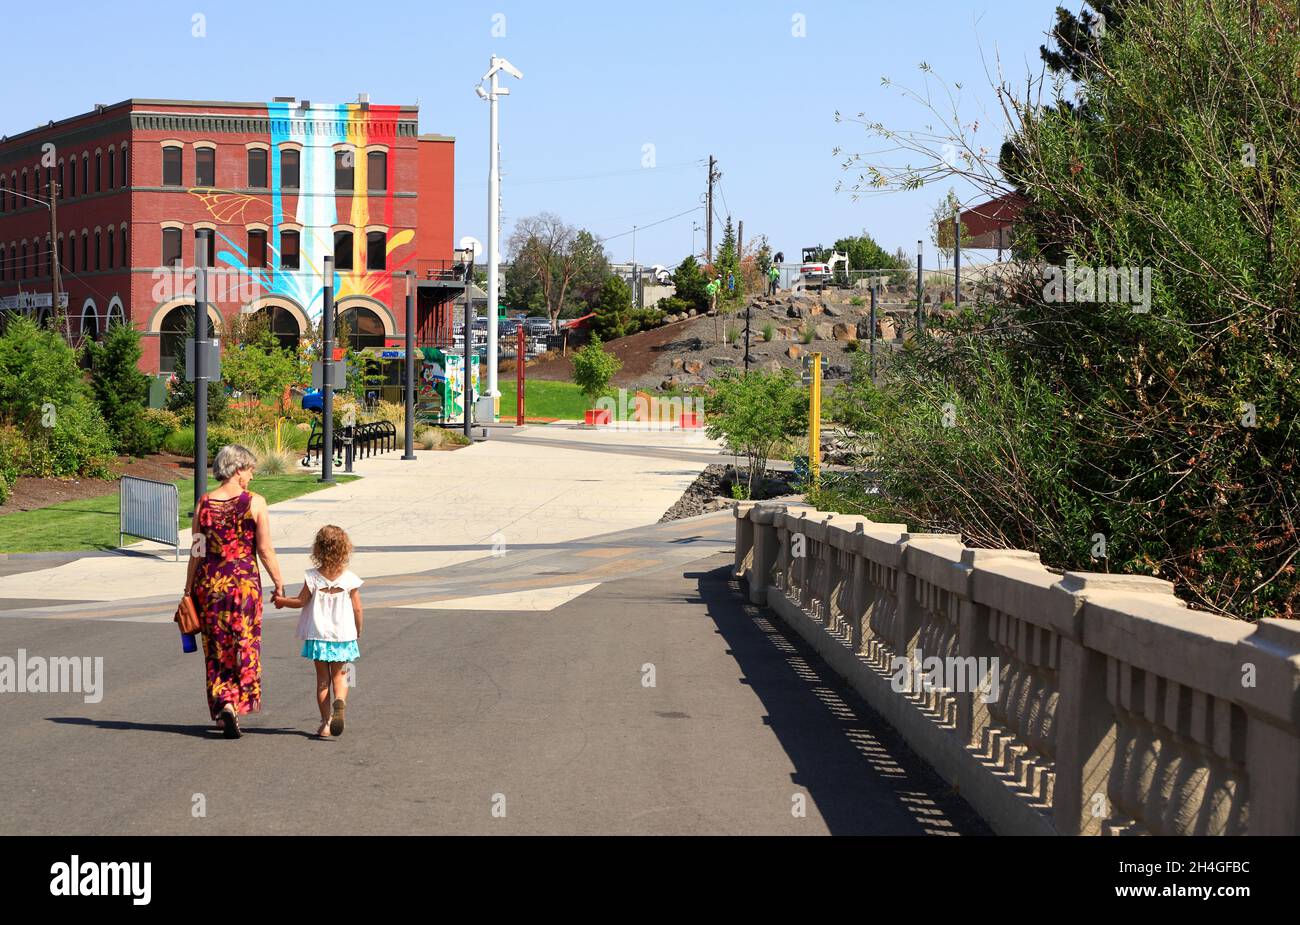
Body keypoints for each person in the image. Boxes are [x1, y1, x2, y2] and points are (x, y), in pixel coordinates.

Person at [184, 444, 285, 739]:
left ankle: (223, 704)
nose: (252, 476)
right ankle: (236, 702)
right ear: (238, 469)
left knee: (216, 648)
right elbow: (264, 549)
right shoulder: (255, 503)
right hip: (243, 586)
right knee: (244, 644)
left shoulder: (204, 504)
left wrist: (188, 588)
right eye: (251, 469)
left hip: (211, 586)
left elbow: (197, 551)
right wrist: (278, 581)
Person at [274, 525, 364, 738]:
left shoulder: (312, 577)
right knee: (341, 676)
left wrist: (281, 601)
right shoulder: (350, 579)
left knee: (322, 680)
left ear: (318, 550)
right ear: (345, 549)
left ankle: (325, 723)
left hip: (318, 636)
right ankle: (340, 701)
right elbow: (357, 608)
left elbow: (300, 601)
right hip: (343, 636)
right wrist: (358, 629)